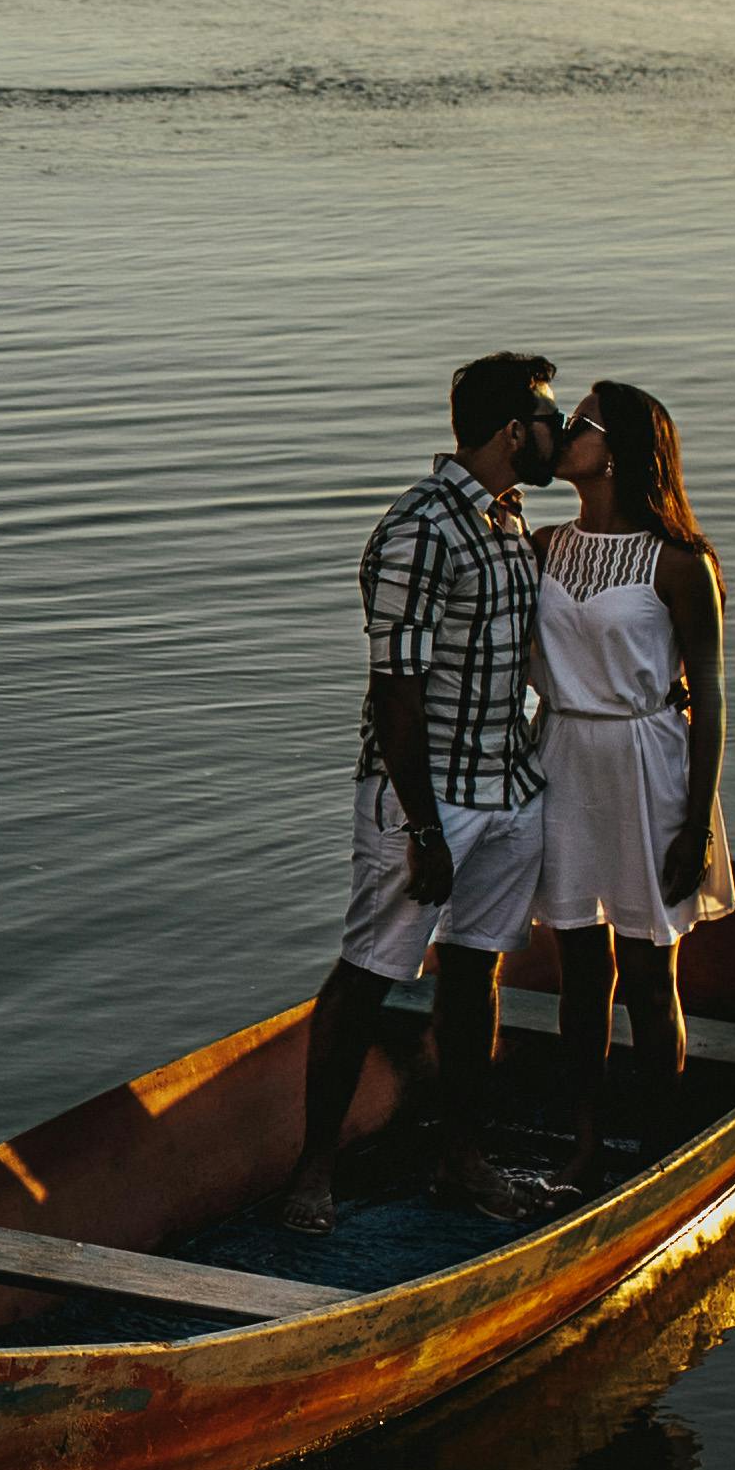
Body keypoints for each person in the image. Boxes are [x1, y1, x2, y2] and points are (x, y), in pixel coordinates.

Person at [283, 352, 567, 1236]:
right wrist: (422, 828)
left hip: (509, 786)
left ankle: (460, 1155)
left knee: (475, 975)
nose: (557, 436)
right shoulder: (419, 529)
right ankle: (313, 1169)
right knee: (368, 971)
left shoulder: (509, 520)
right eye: (548, 419)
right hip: (430, 798)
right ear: (510, 430)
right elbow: (393, 692)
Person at [531, 379, 734, 1184]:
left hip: (649, 765)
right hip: (564, 760)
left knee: (651, 975)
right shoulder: (541, 545)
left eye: (575, 424)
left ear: (613, 449)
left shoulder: (680, 563)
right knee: (579, 976)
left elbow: (711, 699)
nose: (563, 435)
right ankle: (583, 1150)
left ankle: (657, 1155)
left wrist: (696, 824)